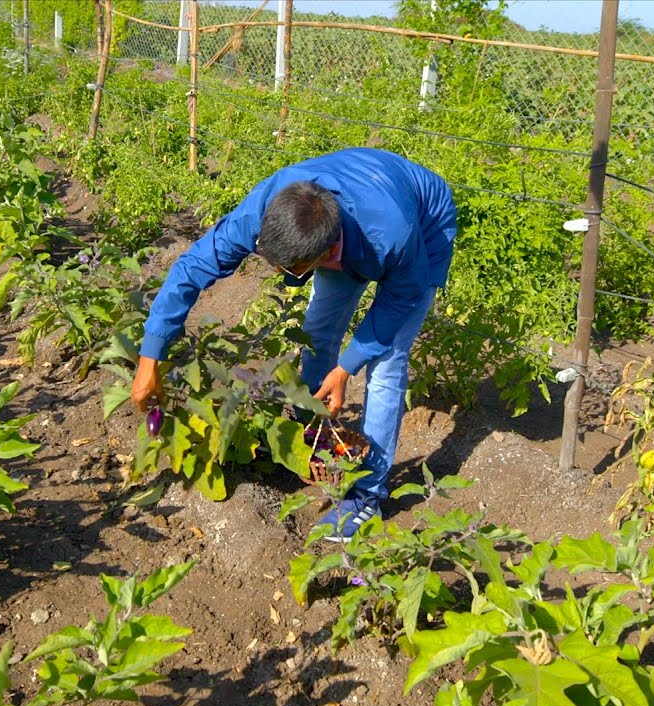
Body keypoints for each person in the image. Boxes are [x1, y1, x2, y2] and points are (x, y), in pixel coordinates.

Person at [129, 147, 458, 541]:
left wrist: (345, 368)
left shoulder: (393, 235)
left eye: (287, 269)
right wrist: (150, 357)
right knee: (319, 328)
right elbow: (190, 269)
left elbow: (398, 301)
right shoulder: (266, 210)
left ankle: (367, 493)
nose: (278, 272)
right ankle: (312, 435)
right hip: (359, 204)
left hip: (423, 220)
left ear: (322, 253)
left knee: (386, 363)